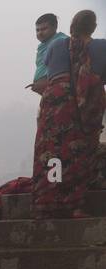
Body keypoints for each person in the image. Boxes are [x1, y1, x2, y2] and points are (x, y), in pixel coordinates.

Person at [32, 10, 106, 219]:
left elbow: (48, 71)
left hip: (55, 104)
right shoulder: (101, 47)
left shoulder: (55, 45)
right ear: (92, 26)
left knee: (52, 155)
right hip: (82, 106)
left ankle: (48, 204)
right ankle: (75, 206)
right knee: (77, 155)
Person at [30, 13, 69, 90]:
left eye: (44, 29)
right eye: (37, 30)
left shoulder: (62, 41)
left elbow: (64, 70)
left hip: (57, 88)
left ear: (55, 27)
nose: (40, 33)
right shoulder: (42, 46)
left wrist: (46, 83)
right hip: (48, 90)